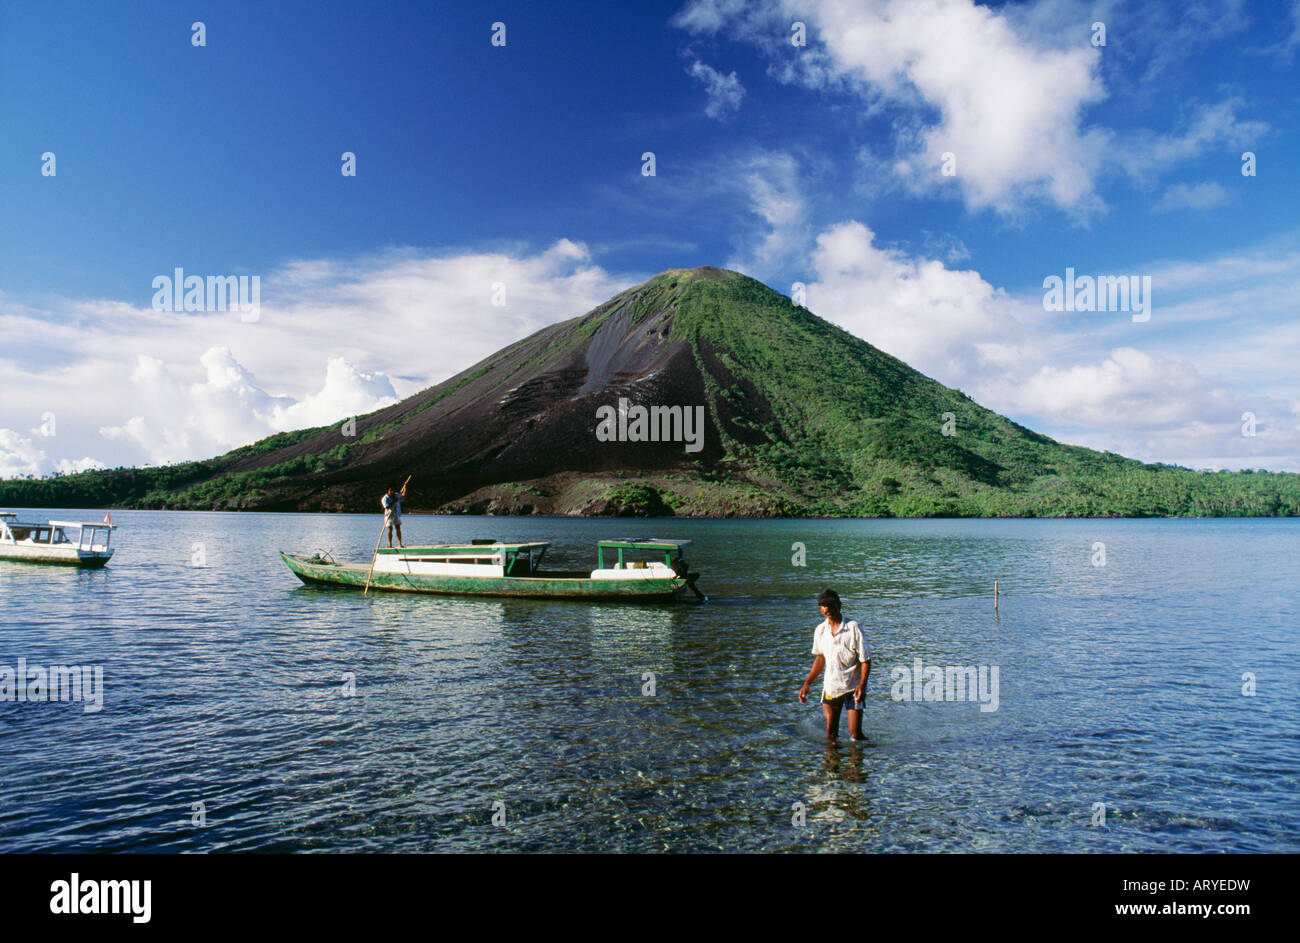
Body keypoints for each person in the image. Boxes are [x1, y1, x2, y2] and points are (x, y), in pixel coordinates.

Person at [798, 588, 871, 741]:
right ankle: (832, 763)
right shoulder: (820, 630)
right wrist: (807, 683)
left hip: (853, 687)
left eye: (830, 605)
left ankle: (862, 760)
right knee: (831, 734)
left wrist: (862, 685)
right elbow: (820, 659)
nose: (827, 609)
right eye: (823, 606)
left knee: (855, 735)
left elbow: (865, 660)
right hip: (831, 686)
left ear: (839, 605)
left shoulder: (853, 627)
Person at [381, 484, 405, 548]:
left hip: (396, 514)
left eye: (393, 490)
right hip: (389, 515)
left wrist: (404, 487)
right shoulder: (384, 498)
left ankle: (400, 544)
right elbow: (387, 507)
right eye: (390, 490)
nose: (392, 491)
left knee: (398, 528)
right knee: (390, 528)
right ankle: (390, 545)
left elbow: (403, 496)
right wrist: (394, 501)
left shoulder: (396, 495)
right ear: (387, 491)